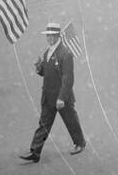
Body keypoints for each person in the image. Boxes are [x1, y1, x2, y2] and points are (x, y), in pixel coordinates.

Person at [20, 23, 85, 163]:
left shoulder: (65, 54)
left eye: (52, 35)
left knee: (71, 121)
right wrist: (38, 68)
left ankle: (80, 143)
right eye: (48, 35)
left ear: (58, 36)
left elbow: (68, 78)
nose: (49, 38)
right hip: (48, 97)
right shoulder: (47, 52)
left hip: (62, 97)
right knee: (43, 124)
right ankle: (35, 152)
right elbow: (46, 73)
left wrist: (61, 98)